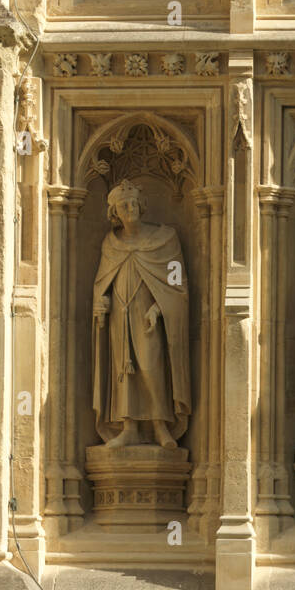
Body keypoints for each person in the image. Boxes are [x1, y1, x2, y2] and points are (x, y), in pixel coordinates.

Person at [92, 180, 191, 449]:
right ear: (115, 212)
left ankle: (161, 427)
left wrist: (159, 309)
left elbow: (176, 284)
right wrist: (101, 302)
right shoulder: (111, 244)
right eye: (124, 205)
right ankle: (129, 428)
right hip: (120, 317)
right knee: (123, 372)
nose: (130, 208)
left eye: (134, 203)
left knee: (151, 367)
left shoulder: (165, 240)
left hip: (149, 317)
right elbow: (102, 282)